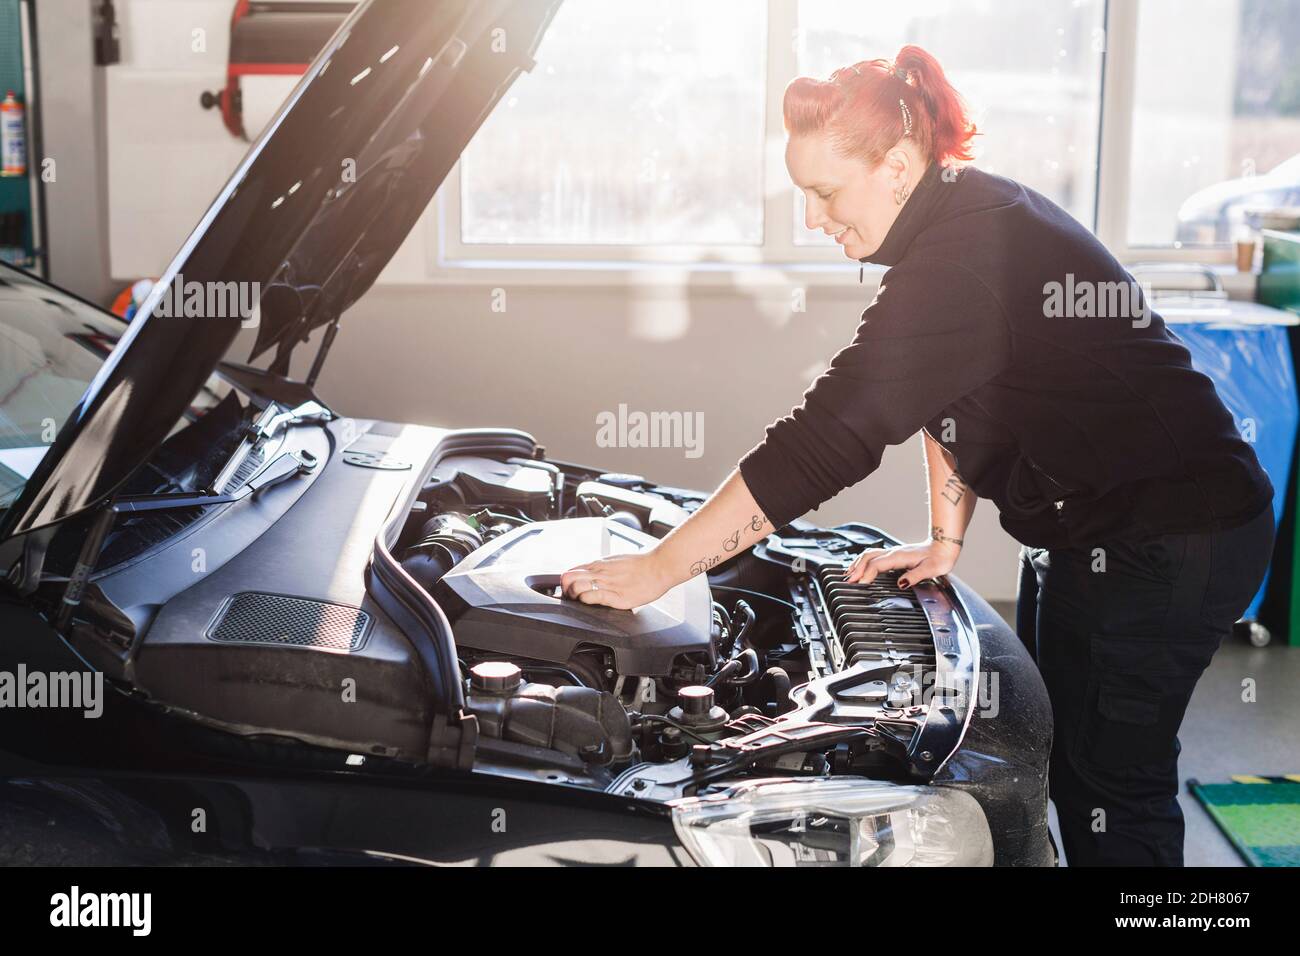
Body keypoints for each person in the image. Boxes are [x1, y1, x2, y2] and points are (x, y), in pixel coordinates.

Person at [561, 45, 1275, 866]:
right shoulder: (958, 218)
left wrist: (665, 568)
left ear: (896, 165)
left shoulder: (964, 258)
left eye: (823, 192)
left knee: (1113, 779)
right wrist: (947, 540)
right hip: (1092, 533)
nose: (813, 218)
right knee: (1059, 759)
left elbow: (830, 436)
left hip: (1175, 535)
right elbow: (949, 405)